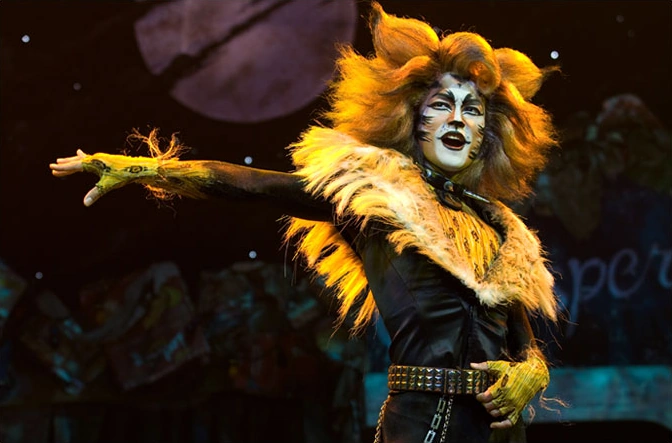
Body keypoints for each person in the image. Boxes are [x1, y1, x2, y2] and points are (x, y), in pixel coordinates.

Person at [50, 3, 560, 442]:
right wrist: (143, 169)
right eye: (442, 105)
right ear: (409, 118)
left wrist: (532, 373)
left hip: (501, 428)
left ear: (488, 134)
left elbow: (523, 342)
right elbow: (252, 185)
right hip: (426, 423)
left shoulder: (500, 231)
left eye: (473, 110)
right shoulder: (377, 202)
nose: (457, 119)